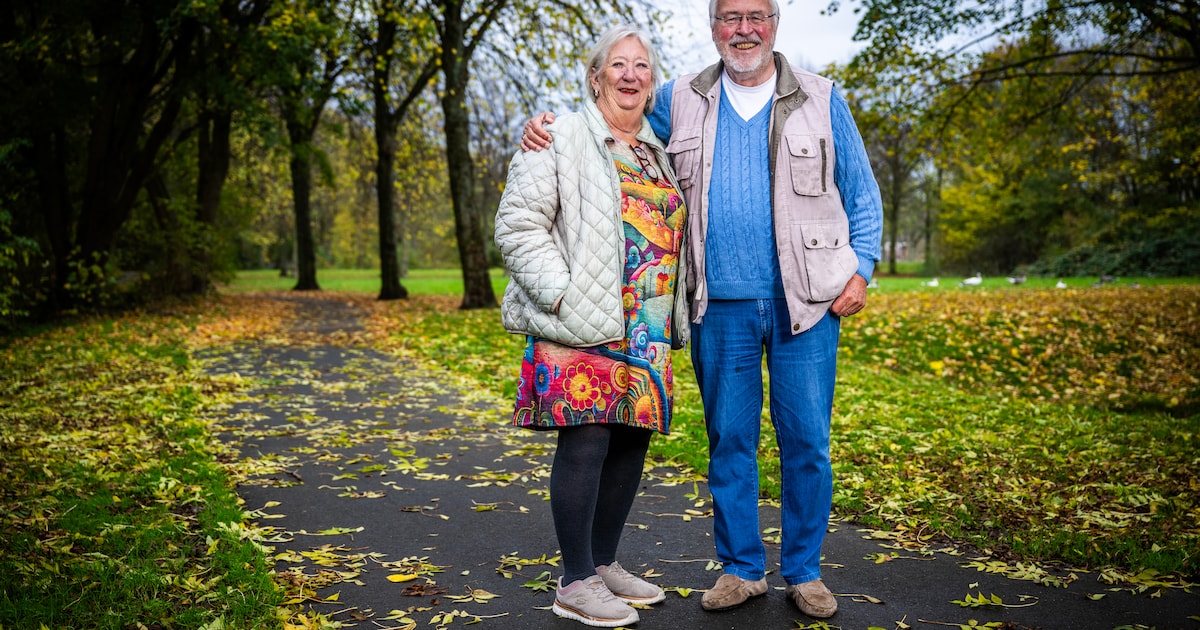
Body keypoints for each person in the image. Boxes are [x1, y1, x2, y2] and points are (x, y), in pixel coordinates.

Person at [521, 0, 883, 620]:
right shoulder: (681, 97)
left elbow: (863, 191)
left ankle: (804, 571)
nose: (744, 29)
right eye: (730, 16)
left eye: (757, 15)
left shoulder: (823, 97)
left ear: (774, 23)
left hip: (806, 303)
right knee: (729, 441)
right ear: (713, 26)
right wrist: (542, 127)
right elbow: (614, 119)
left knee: (807, 442)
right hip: (716, 306)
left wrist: (863, 267)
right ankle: (742, 569)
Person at [494, 24, 690, 628]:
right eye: (618, 64)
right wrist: (561, 294)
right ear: (596, 75)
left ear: (652, 82)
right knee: (586, 441)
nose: (630, 75)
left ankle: (603, 565)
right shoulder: (560, 135)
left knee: (631, 442)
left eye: (642, 66)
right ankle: (573, 580)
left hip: (645, 326)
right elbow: (517, 225)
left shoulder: (654, 149)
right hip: (581, 320)